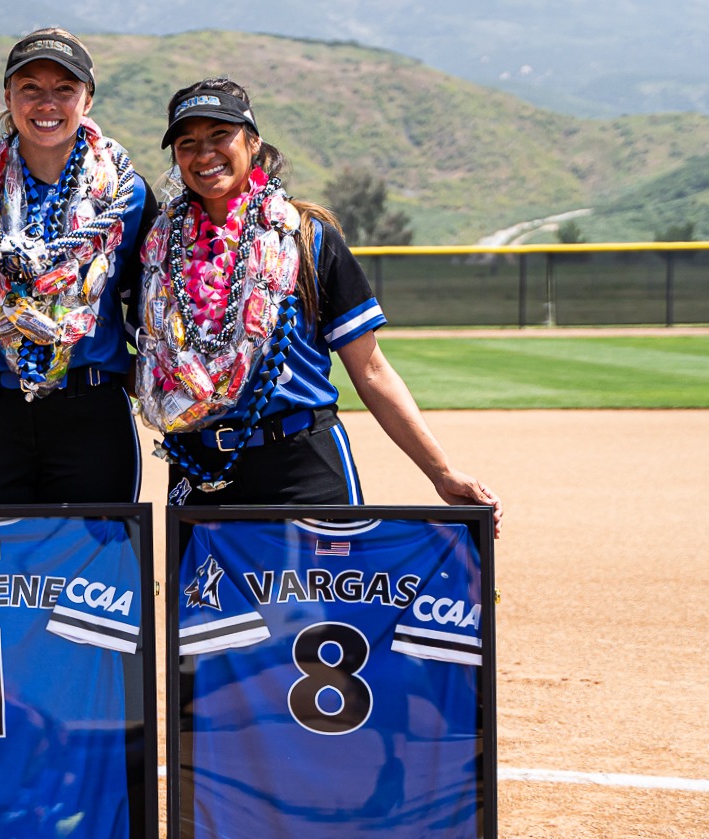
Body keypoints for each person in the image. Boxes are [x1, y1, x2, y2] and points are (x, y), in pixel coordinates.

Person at [136, 78, 501, 533]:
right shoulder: (156, 252)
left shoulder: (307, 236)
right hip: (197, 467)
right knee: (206, 605)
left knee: (322, 606)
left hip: (301, 465)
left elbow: (371, 371)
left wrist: (440, 471)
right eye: (187, 142)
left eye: (219, 135)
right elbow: (147, 362)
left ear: (252, 143)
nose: (203, 153)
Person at [0, 27, 158, 505]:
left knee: (96, 568)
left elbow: (148, 310)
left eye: (64, 90)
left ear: (87, 100)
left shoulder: (128, 194)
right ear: (8, 96)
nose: (46, 103)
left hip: (89, 406)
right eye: (30, 88)